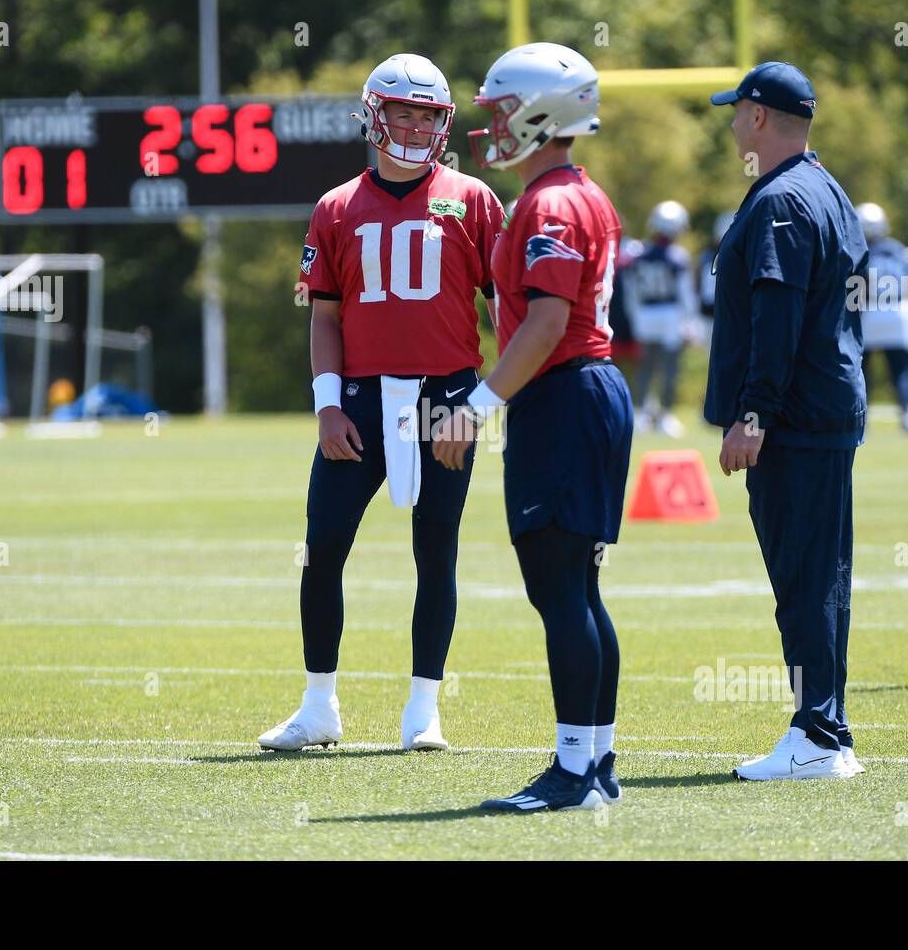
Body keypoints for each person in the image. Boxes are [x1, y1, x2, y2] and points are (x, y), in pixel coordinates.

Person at [257, 54, 506, 751]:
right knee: (324, 548)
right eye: (403, 111)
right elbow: (325, 317)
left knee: (437, 552)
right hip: (361, 399)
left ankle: (424, 707)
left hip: (446, 396)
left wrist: (488, 400)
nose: (416, 125)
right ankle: (318, 705)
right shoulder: (336, 206)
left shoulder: (474, 199)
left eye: (428, 115)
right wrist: (326, 405)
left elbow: (505, 307)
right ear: (374, 113)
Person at [432, 42, 632, 811]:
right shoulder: (575, 194)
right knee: (578, 589)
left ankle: (575, 771)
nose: (493, 125)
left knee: (560, 591)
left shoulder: (551, 203)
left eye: (502, 109)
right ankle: (598, 761)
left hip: (564, 394)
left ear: (542, 112)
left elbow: (547, 322)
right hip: (587, 392)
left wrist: (478, 405)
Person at [706, 62, 868, 780]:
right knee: (820, 576)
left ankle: (817, 736)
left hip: (796, 418)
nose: (733, 121)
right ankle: (825, 728)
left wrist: (753, 413)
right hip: (822, 409)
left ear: (761, 117)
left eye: (738, 110)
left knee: (804, 579)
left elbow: (778, 317)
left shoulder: (782, 200)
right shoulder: (823, 188)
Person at [626, 201, 699, 437]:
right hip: (670, 314)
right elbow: (686, 294)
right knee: (668, 367)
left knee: (646, 367)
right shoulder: (677, 257)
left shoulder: (639, 254)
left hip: (646, 314)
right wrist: (690, 322)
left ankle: (642, 415)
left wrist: (635, 318)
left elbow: (631, 293)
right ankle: (663, 416)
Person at [856, 202, 908, 433]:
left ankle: (863, 415)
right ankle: (906, 414)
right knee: (901, 369)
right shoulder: (897, 248)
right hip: (899, 308)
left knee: (861, 369)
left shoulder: (859, 249)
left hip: (871, 310)